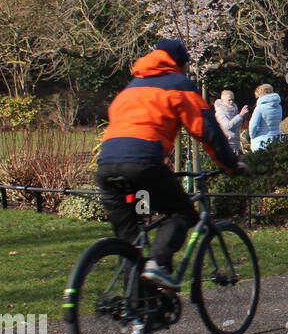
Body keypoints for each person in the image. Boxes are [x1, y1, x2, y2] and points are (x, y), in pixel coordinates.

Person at [96, 39, 246, 293]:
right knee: (182, 213)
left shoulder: (130, 88)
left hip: (106, 166)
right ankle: (159, 263)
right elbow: (206, 130)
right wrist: (231, 165)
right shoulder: (180, 85)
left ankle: (136, 312)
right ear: (181, 64)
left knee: (130, 245)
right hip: (143, 162)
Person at [248, 84, 283, 151]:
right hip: (276, 138)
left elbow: (253, 125)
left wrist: (252, 136)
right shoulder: (279, 107)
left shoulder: (259, 108)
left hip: (262, 140)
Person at [214, 89, 249, 156]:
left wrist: (243, 116)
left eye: (232, 99)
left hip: (236, 144)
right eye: (229, 100)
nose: (231, 102)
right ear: (222, 101)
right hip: (226, 144)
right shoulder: (220, 113)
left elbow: (237, 125)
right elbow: (227, 126)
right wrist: (240, 115)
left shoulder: (234, 110)